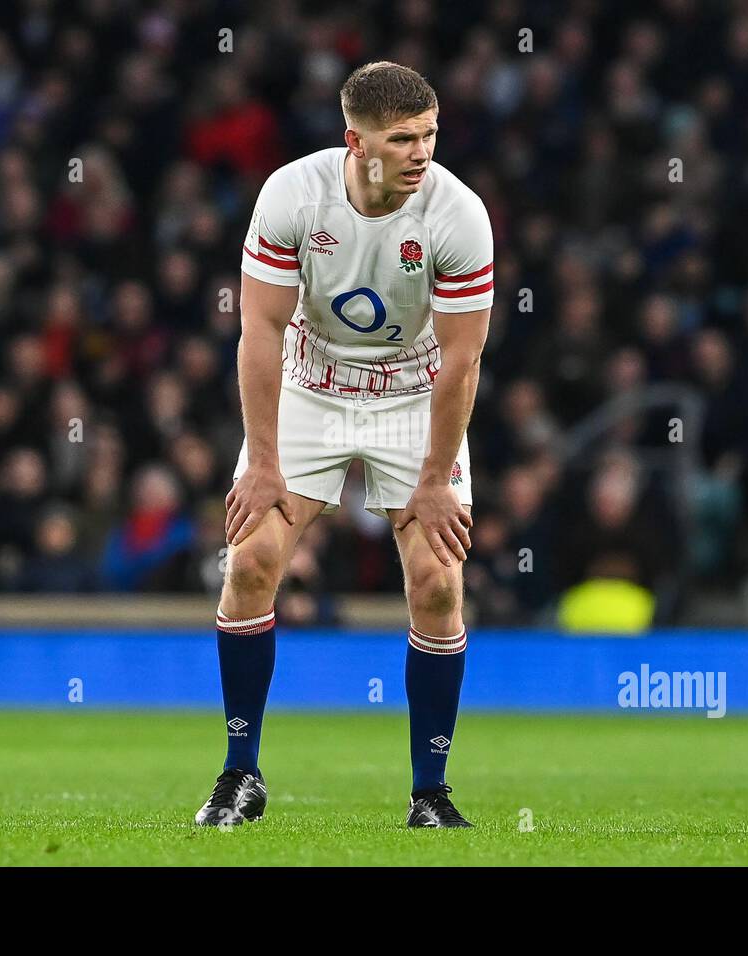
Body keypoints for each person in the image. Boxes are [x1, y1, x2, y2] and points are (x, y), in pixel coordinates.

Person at [194, 62, 493, 829]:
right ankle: (239, 774)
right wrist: (262, 462)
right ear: (354, 141)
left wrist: (433, 479)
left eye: (428, 135)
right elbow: (259, 330)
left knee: (437, 583)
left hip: (412, 390)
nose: (421, 152)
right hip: (311, 384)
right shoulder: (293, 194)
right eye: (402, 139)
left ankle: (430, 792)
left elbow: (463, 359)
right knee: (252, 560)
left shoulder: (458, 215)